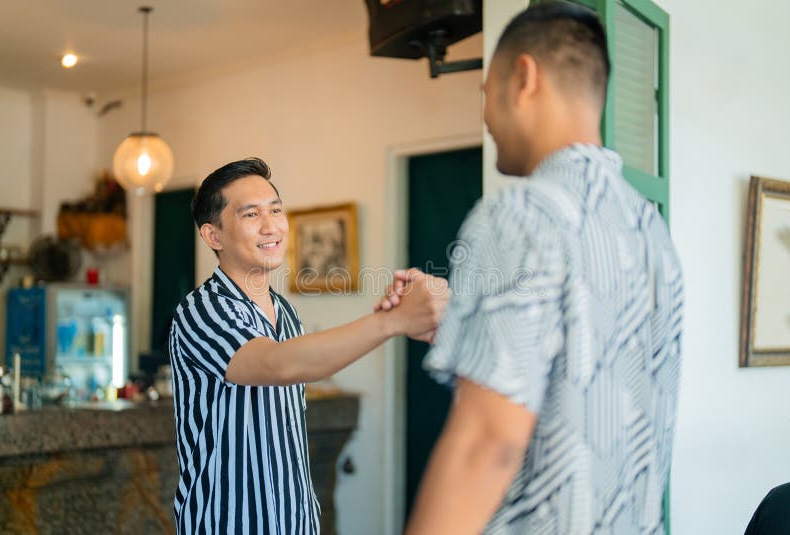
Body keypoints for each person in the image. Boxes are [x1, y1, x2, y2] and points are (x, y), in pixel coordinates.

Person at [379, 2, 684, 533]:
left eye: (485, 94)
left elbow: (486, 445)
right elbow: (588, 362)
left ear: (523, 78)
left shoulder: (519, 213)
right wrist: (465, 317)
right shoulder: (649, 229)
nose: (486, 118)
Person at [168, 157, 448, 534]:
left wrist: (398, 313)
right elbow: (276, 365)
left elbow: (300, 364)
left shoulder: (284, 310)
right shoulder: (203, 309)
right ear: (213, 236)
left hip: (294, 520)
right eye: (251, 215)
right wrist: (393, 321)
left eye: (276, 210)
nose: (271, 226)